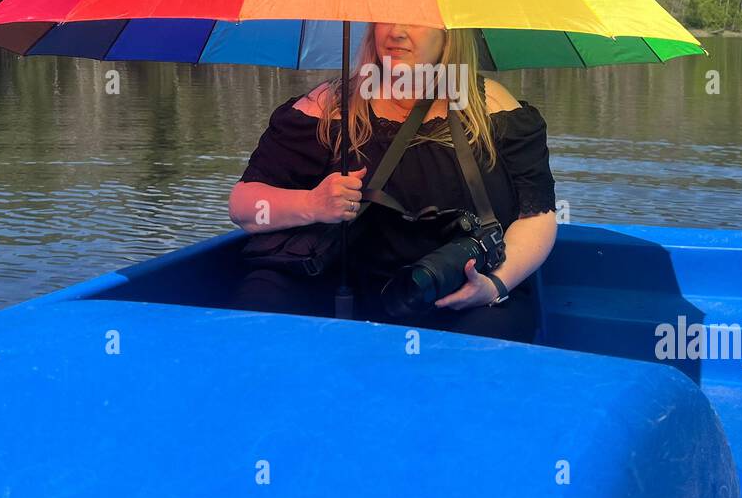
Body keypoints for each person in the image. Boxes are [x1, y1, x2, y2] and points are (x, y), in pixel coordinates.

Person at [227, 22, 558, 342]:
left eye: (416, 19)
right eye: (386, 14)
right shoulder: (327, 107)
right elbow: (243, 206)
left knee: (483, 348)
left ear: (450, 32)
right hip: (340, 288)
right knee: (261, 308)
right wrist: (311, 204)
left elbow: (537, 216)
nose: (396, 31)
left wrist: (495, 285)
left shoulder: (495, 110)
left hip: (463, 293)